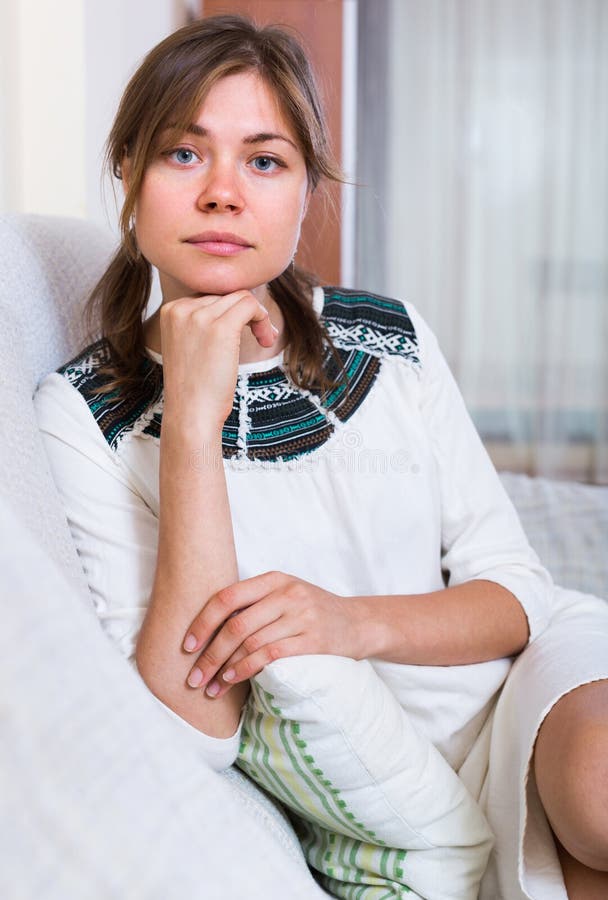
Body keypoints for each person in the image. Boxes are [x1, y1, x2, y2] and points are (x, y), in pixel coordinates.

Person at [33, 14, 608, 899]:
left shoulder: (390, 337)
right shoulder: (84, 414)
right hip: (385, 793)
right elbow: (197, 728)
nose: (224, 192)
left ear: (307, 192)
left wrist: (352, 622)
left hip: (530, 689)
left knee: (599, 804)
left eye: (265, 161)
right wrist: (189, 424)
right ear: (127, 172)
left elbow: (517, 594)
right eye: (184, 155)